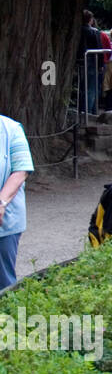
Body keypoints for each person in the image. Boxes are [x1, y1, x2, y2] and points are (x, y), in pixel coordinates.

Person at [0, 114, 34, 292]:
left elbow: (21, 169)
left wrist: (1, 202)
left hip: (5, 222)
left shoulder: (11, 129)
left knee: (4, 281)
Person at [78, 10, 103, 116]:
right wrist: (101, 64)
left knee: (82, 87)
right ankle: (88, 112)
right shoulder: (94, 31)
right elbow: (99, 48)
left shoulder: (78, 31)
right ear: (91, 20)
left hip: (81, 62)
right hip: (92, 61)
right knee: (91, 88)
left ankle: (82, 110)